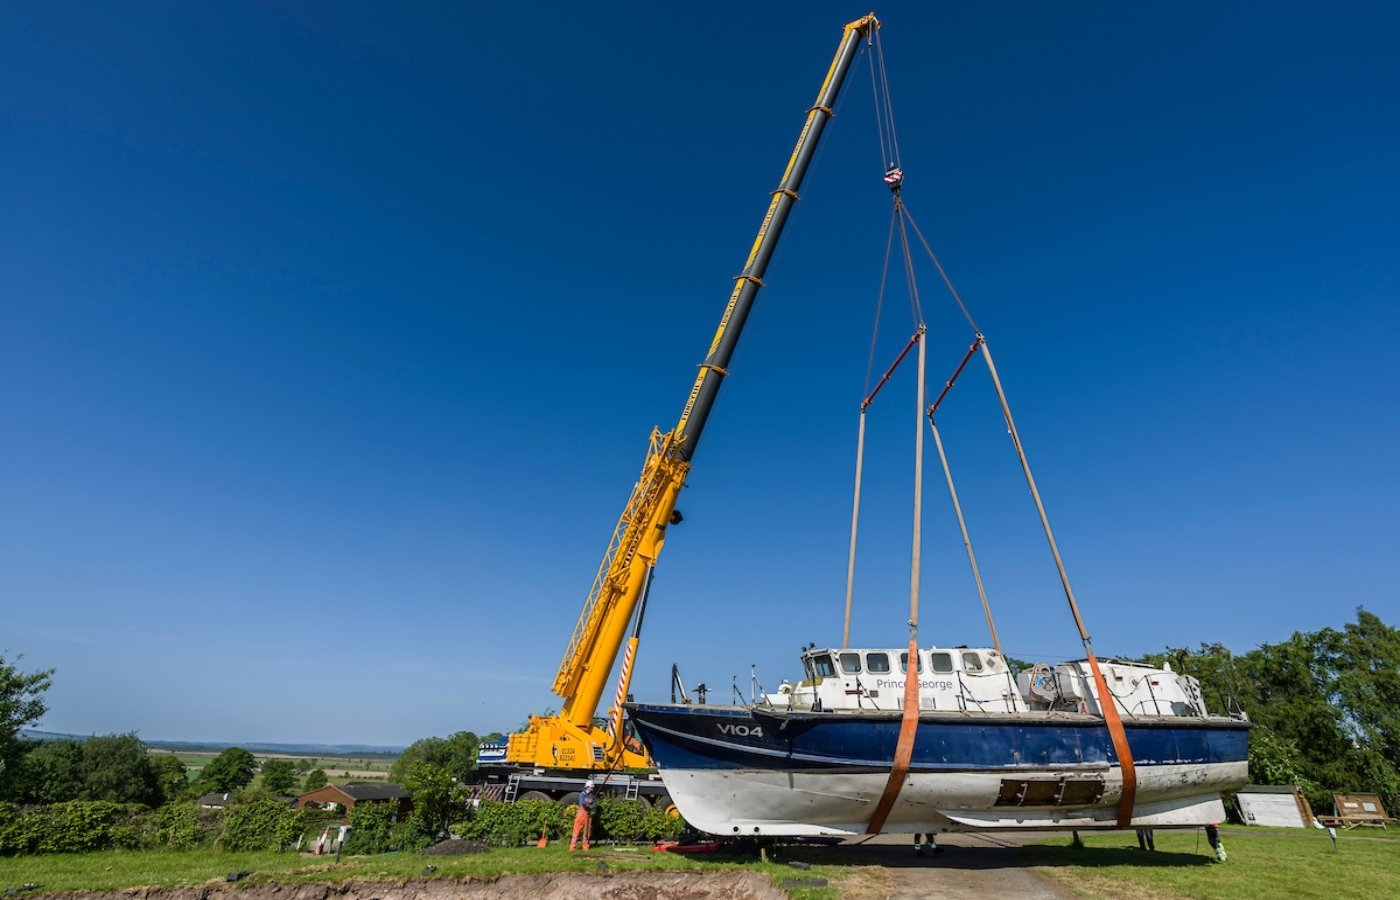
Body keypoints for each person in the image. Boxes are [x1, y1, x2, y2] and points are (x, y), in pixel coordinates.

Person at [570, 780, 597, 852]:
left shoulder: (592, 795)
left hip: (588, 814)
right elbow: (582, 802)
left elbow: (594, 805)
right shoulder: (582, 794)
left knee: (587, 831)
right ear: (587, 787)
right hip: (581, 814)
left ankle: (585, 847)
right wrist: (588, 803)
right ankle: (572, 847)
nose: (592, 789)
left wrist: (591, 806)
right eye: (591, 787)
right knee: (576, 830)